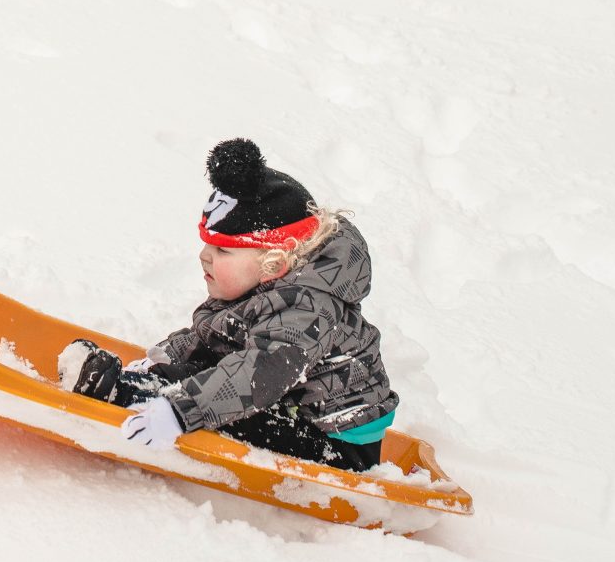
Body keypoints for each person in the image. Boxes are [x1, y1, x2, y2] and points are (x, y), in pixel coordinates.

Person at [58, 138, 398, 471]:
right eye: (208, 244)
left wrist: (180, 412)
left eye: (223, 250)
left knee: (230, 411)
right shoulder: (260, 284)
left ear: (274, 263)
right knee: (206, 379)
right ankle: (140, 388)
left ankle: (130, 399)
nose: (205, 256)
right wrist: (162, 360)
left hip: (336, 451)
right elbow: (217, 336)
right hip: (286, 403)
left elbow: (259, 374)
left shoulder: (305, 308)